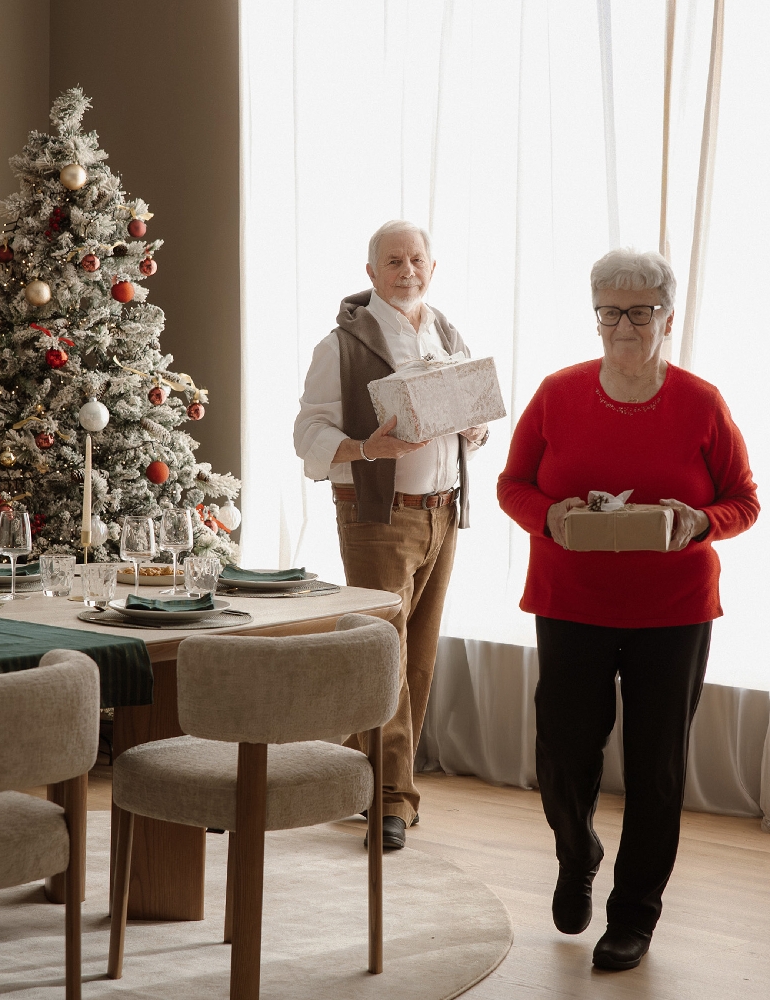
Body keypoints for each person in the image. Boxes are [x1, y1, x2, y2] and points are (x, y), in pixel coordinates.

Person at [497, 248, 759, 970]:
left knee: (657, 769)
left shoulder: (700, 403)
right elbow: (513, 485)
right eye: (609, 310)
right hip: (570, 601)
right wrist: (553, 518)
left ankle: (634, 915)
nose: (622, 324)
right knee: (563, 755)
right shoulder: (558, 393)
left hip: (673, 612)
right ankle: (577, 849)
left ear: (667, 318)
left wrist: (699, 521)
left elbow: (743, 500)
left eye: (639, 311)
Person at [294, 219, 488, 850]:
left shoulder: (446, 333)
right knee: (390, 654)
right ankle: (389, 798)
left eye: (417, 260)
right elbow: (308, 434)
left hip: (442, 510)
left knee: (419, 655)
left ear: (433, 267)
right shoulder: (341, 345)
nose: (407, 271)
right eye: (394, 261)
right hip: (379, 514)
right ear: (371, 271)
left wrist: (474, 431)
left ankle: (362, 772)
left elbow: (460, 416)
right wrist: (366, 448)